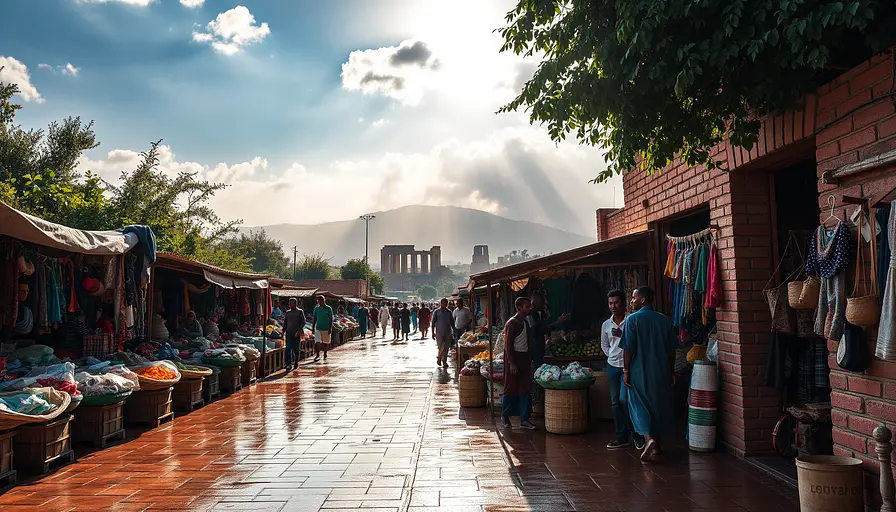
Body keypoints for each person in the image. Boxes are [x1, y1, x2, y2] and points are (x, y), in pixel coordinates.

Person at [621, 286, 677, 463]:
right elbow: (672, 350)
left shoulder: (632, 320)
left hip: (640, 370)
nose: (631, 301)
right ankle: (658, 446)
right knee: (658, 405)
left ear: (643, 300)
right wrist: (671, 369)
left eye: (634, 297)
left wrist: (626, 370)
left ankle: (648, 439)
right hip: (661, 369)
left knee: (638, 405)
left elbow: (628, 349)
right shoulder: (664, 320)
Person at [602, 290, 643, 450]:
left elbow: (638, 342)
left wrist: (621, 335)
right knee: (615, 403)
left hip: (630, 366)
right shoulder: (606, 324)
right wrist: (612, 355)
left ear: (624, 303)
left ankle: (637, 435)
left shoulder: (631, 321)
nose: (613, 306)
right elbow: (604, 345)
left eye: (616, 302)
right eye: (610, 303)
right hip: (613, 366)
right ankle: (621, 437)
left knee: (626, 401)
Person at [525, 292, 569, 411]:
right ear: (533, 303)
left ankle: (537, 404)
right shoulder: (530, 316)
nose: (543, 303)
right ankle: (533, 406)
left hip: (539, 349)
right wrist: (558, 323)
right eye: (540, 302)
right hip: (534, 352)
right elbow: (536, 332)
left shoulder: (539, 314)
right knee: (535, 377)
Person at [502, 296, 536, 430]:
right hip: (515, 359)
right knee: (510, 388)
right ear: (519, 307)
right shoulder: (512, 323)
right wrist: (512, 363)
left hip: (524, 359)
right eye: (527, 306)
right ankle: (505, 416)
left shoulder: (525, 322)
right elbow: (508, 345)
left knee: (524, 388)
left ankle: (525, 419)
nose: (529, 308)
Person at [283, 298, 306, 370]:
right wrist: (283, 331)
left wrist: (299, 330)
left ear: (296, 304)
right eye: (289, 304)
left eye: (292, 303)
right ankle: (288, 364)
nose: (290, 305)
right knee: (288, 348)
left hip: (296, 333)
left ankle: (296, 361)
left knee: (296, 349)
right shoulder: (288, 312)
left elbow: (303, 321)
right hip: (288, 333)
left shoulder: (299, 312)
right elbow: (285, 323)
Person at [312, 295, 335, 362]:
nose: (319, 302)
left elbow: (331, 318)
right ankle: (318, 354)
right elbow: (315, 318)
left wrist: (330, 328)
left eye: (320, 301)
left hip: (326, 328)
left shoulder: (328, 308)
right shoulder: (316, 308)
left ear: (323, 300)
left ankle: (325, 352)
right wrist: (313, 327)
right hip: (318, 328)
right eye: (318, 301)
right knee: (317, 342)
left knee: (325, 342)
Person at [431, 298, 454, 367]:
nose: (445, 304)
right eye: (443, 303)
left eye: (446, 303)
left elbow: (452, 322)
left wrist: (454, 332)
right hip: (439, 333)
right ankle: (439, 357)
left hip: (448, 332)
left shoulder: (449, 312)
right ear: (441, 303)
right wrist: (432, 333)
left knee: (446, 348)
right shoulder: (436, 312)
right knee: (440, 347)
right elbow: (433, 322)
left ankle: (444, 361)